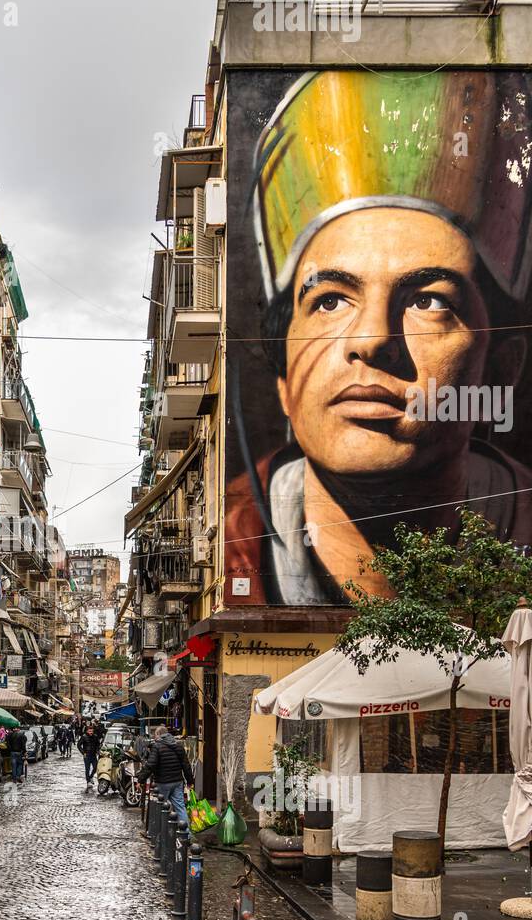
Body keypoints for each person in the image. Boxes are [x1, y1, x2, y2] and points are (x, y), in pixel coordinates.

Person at [226, 69, 532, 606]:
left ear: (503, 366)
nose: (371, 340)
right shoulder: (235, 544)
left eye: (428, 301)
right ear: (284, 380)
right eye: (330, 301)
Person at [139, 724, 193, 825]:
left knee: (160, 808)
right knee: (180, 807)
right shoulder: (178, 746)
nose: (154, 738)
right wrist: (190, 781)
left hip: (163, 782)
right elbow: (186, 765)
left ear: (159, 735)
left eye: (155, 735)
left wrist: (141, 779)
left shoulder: (157, 747)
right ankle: (186, 834)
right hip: (177, 781)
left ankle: (160, 834)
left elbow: (150, 765)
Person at [78, 719, 104, 788]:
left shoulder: (95, 736)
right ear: (87, 731)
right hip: (86, 755)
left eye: (91, 731)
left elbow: (98, 744)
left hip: (93, 755)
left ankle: (91, 777)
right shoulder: (84, 737)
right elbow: (78, 745)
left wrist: (97, 750)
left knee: (95, 767)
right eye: (89, 731)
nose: (91, 732)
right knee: (87, 769)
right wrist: (83, 752)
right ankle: (88, 781)